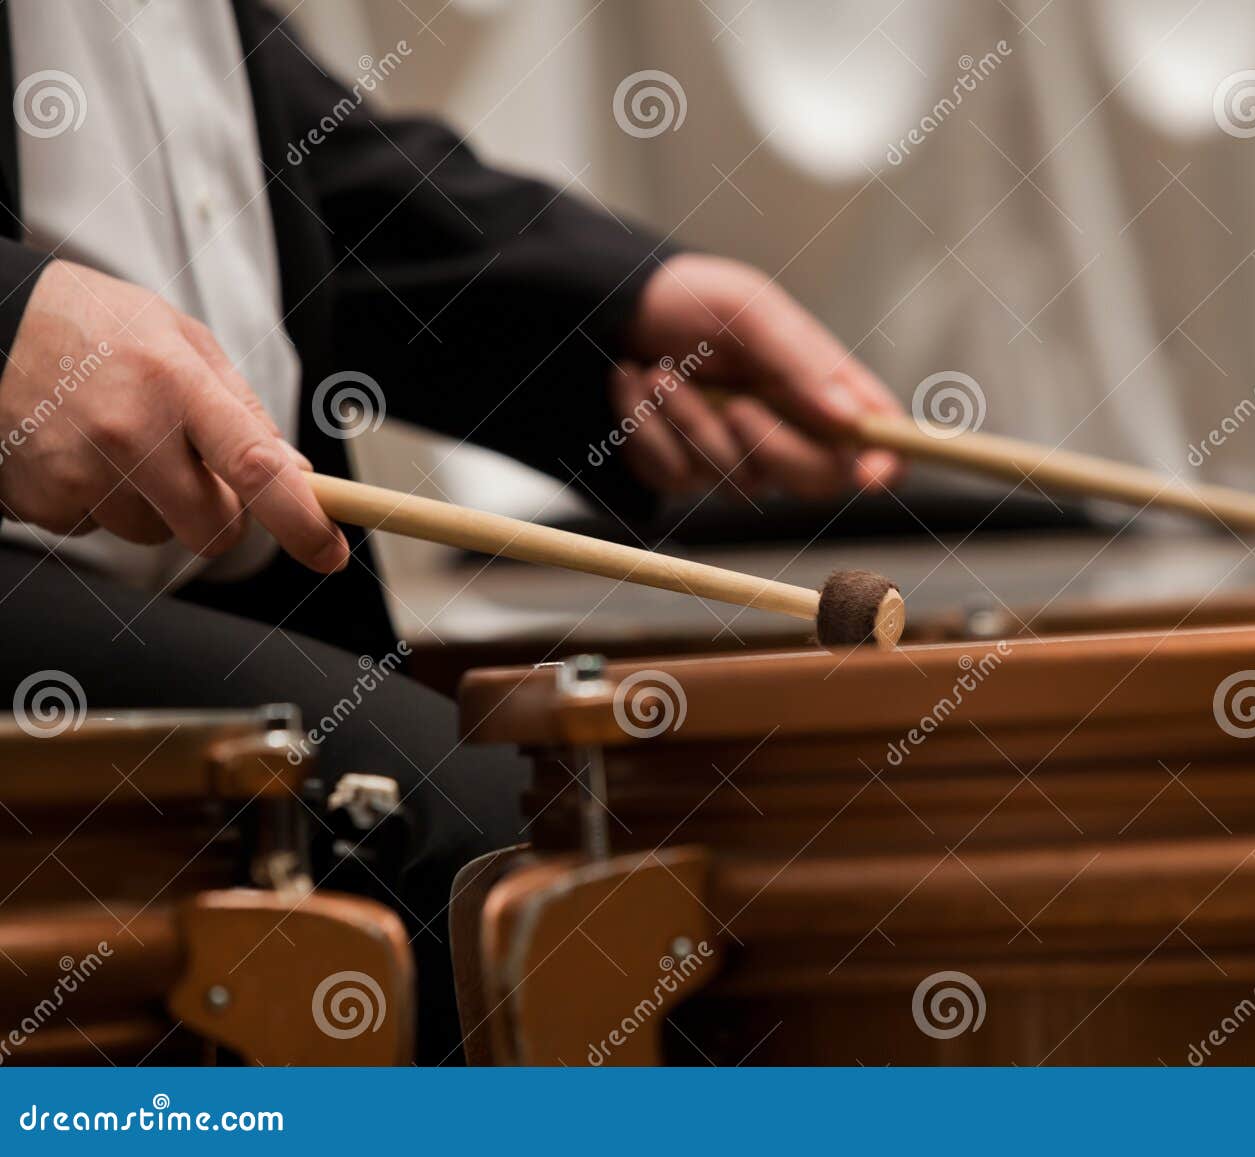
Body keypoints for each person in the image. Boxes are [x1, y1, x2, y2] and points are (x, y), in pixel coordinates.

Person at [0, 1, 903, 1063]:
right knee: (499, 864)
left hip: (219, 597)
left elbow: (274, 160)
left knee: (665, 819)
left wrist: (617, 305)